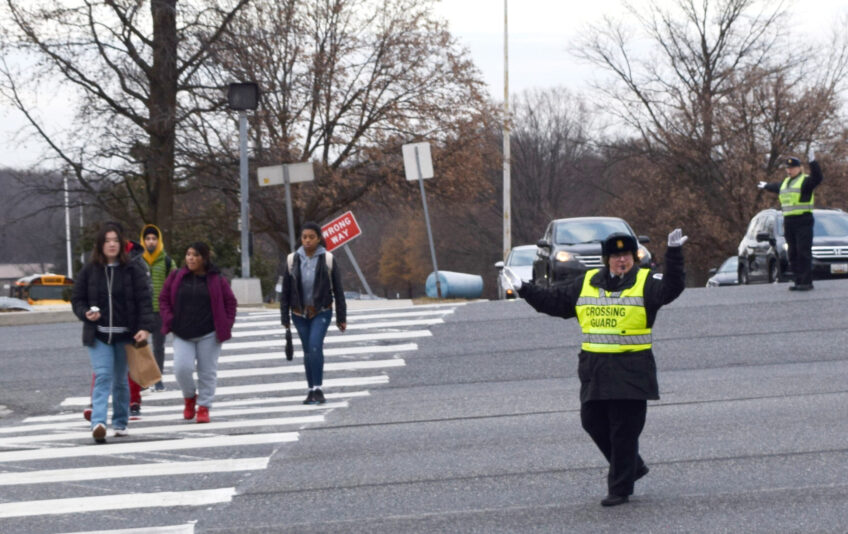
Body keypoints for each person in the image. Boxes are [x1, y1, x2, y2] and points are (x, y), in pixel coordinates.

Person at [502, 229, 687, 507]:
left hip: (631, 371)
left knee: (623, 432)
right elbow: (556, 302)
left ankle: (620, 489)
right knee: (592, 422)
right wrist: (525, 290)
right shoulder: (588, 281)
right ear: (606, 259)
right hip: (595, 370)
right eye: (615, 256)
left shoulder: (646, 282)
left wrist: (674, 255)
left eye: (626, 255)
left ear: (634, 258)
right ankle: (632, 467)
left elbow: (672, 288)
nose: (621, 261)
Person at [71, 223, 154, 443]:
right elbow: (77, 299)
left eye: (115, 241)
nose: (111, 245)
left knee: (120, 381)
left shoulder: (132, 270)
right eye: (107, 241)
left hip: (125, 335)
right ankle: (98, 422)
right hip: (98, 335)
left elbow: (145, 301)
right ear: (100, 244)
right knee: (103, 376)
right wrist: (85, 313)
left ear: (121, 244)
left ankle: (120, 420)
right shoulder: (89, 271)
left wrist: (145, 328)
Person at [159, 242, 237, 423]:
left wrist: (226, 323)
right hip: (182, 332)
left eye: (195, 255)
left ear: (204, 258)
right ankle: (189, 397)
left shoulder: (216, 279)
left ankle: (204, 406)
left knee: (207, 372)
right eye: (188, 254)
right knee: (181, 368)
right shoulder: (177, 276)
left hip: (209, 333)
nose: (191, 258)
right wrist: (169, 319)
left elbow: (230, 303)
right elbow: (163, 298)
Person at [280, 222, 347, 405]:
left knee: (315, 345)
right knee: (308, 350)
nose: (307, 240)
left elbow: (338, 290)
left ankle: (318, 388)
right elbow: (285, 291)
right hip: (298, 313)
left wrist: (341, 317)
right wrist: (284, 318)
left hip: (321, 311)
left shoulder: (327, 259)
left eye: (311, 237)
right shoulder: (292, 260)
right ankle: (310, 390)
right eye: (304, 237)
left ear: (319, 238)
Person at [758, 151, 823, 290]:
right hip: (789, 221)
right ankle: (798, 280)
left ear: (799, 168)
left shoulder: (805, 181)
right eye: (787, 168)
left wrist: (813, 162)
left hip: (803, 220)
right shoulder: (786, 183)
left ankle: (806, 282)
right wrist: (766, 186)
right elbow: (776, 187)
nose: (789, 170)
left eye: (792, 168)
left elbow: (817, 178)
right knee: (792, 252)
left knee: (803, 251)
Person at [140, 224, 176, 391]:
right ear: (143, 240)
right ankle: (144, 379)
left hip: (160, 311)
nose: (151, 242)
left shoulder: (167, 261)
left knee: (159, 347)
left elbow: (175, 284)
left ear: (159, 240)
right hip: (142, 311)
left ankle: (158, 378)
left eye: (154, 238)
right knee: (141, 347)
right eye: (148, 239)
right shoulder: (137, 260)